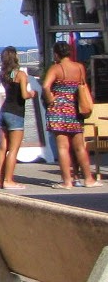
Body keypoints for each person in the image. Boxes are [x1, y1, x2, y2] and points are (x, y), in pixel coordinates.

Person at [42, 40, 102, 188]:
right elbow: (82, 85)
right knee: (79, 147)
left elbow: (45, 86)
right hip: (76, 109)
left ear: (56, 54)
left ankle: (67, 181)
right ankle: (88, 179)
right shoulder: (79, 67)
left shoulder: (56, 68)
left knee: (63, 147)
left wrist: (51, 99)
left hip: (59, 110)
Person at [0, 47, 33, 190]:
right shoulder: (21, 74)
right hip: (15, 113)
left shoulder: (4, 74)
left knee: (2, 147)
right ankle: (8, 180)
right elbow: (23, 95)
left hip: (3, 112)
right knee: (13, 150)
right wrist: (31, 93)